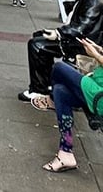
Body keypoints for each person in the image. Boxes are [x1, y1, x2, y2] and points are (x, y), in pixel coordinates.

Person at [18, 0, 103, 101]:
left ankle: (39, 89)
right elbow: (74, 18)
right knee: (38, 38)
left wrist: (58, 34)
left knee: (37, 45)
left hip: (82, 45)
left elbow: (81, 26)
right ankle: (45, 83)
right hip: (77, 39)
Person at [30, 36, 103, 172]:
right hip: (96, 86)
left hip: (98, 95)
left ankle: (51, 100)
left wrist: (96, 55)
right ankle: (66, 152)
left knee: (59, 68)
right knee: (61, 92)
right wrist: (99, 50)